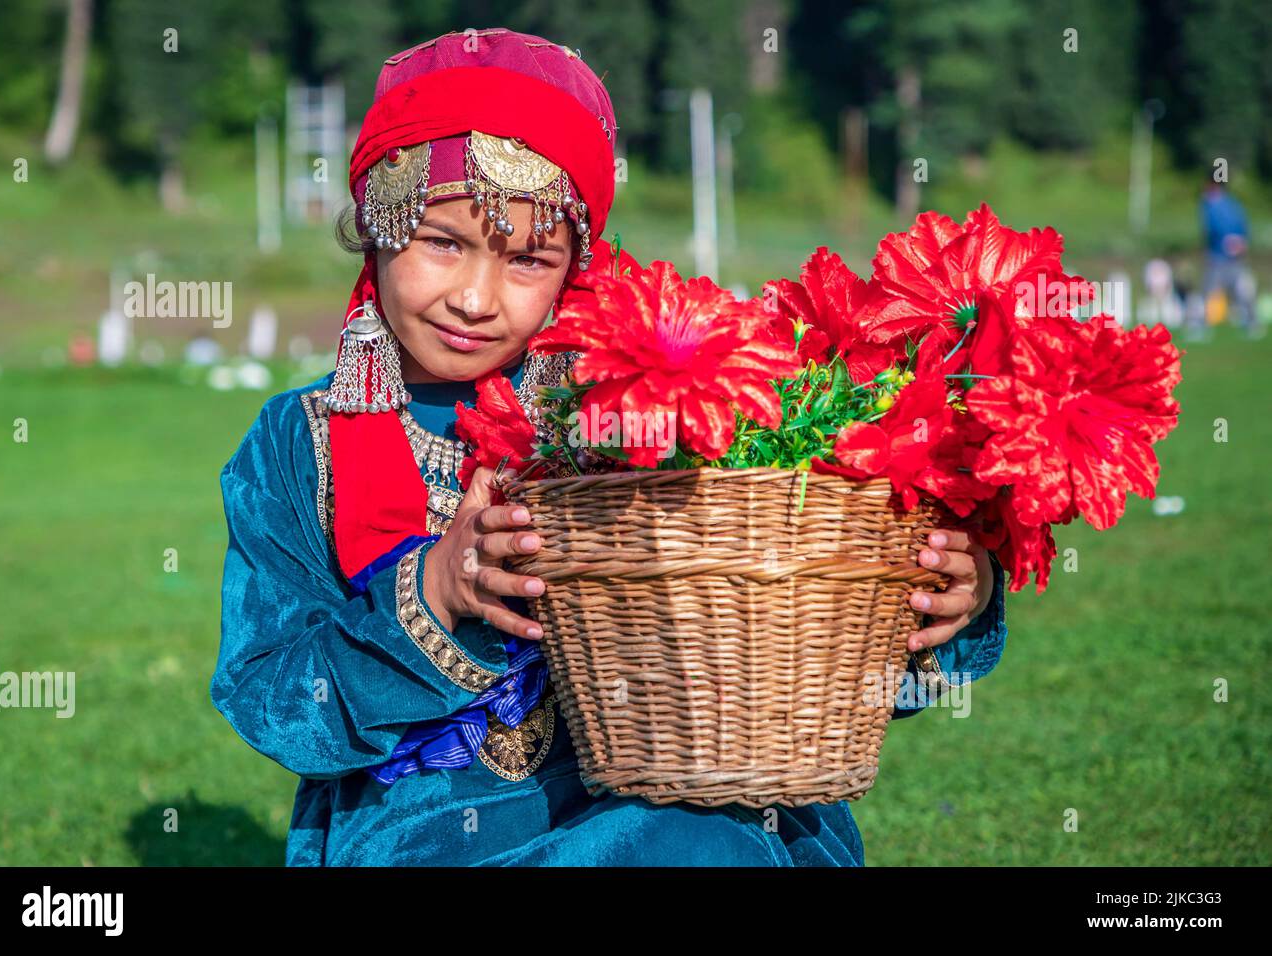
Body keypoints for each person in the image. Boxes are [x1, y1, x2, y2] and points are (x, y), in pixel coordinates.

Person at [210, 28, 1007, 866]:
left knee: (703, 840)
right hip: (427, 839)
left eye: (528, 259)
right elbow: (271, 699)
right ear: (376, 227)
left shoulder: (645, 415)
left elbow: (780, 654)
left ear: (573, 271)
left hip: (686, 799)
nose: (475, 297)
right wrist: (434, 593)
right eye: (442, 242)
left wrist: (937, 607)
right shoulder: (294, 447)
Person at [1193, 179, 1259, 339]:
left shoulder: (1219, 205)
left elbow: (1217, 228)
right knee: (1212, 291)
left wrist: (1240, 241)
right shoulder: (1219, 204)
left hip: (1223, 256)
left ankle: (1251, 323)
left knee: (1238, 290)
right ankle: (1202, 325)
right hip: (1219, 255)